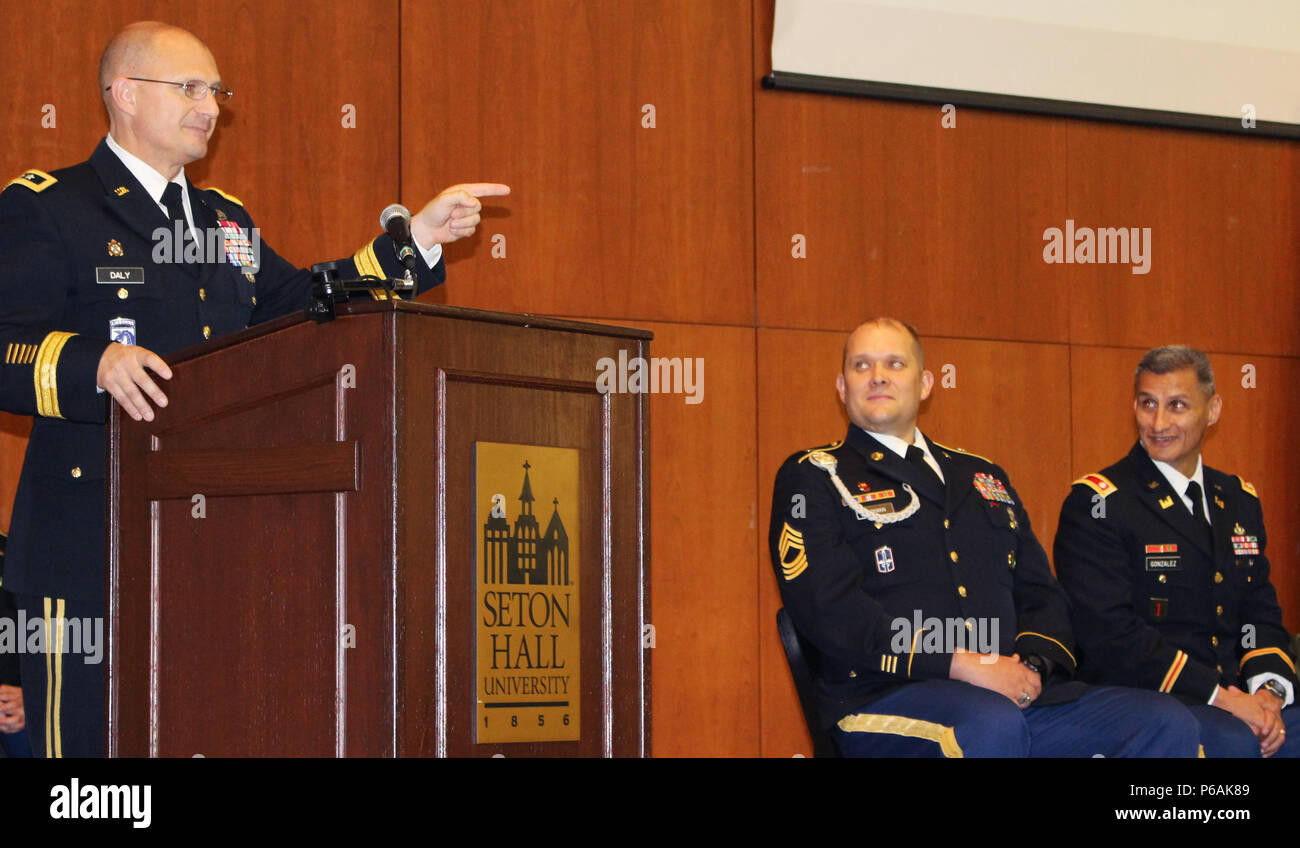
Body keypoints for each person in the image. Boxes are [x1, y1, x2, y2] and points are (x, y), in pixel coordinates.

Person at [0, 21, 509, 757]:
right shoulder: (49, 206)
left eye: (216, 90)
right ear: (124, 95)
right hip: (89, 547)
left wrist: (417, 242)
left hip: (212, 546)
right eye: (190, 88)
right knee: (84, 766)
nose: (211, 106)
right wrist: (91, 362)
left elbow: (306, 306)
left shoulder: (224, 223)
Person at [768, 317, 1198, 757]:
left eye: (895, 363)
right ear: (842, 387)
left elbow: (1042, 595)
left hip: (1007, 697)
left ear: (925, 383)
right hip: (883, 696)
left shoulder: (980, 476)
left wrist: (1029, 668)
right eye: (862, 366)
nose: (878, 376)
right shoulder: (815, 477)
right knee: (989, 727)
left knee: (1164, 723)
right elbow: (830, 609)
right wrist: (962, 665)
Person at [1054, 345, 1299, 757]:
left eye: (1177, 406)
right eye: (1147, 404)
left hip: (1239, 695)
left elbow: (1259, 612)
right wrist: (1223, 697)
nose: (1158, 422)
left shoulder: (1238, 500)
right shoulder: (1099, 503)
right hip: (1155, 703)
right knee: (1235, 742)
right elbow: (1111, 637)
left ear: (1213, 409)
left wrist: (1269, 692)